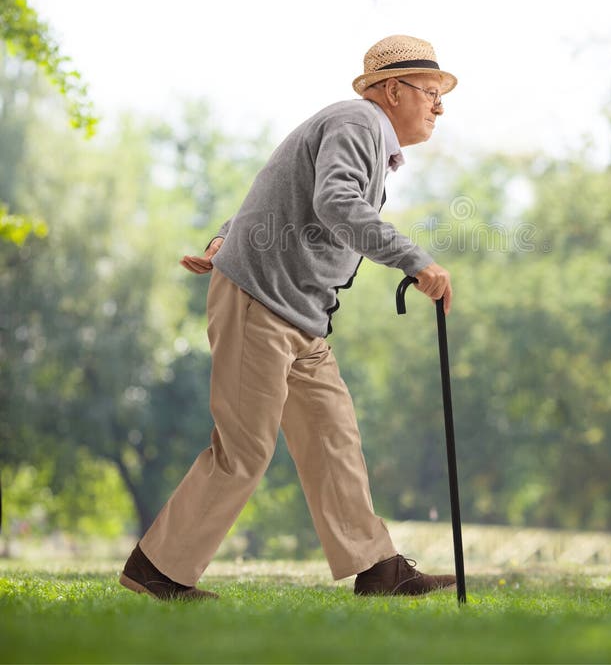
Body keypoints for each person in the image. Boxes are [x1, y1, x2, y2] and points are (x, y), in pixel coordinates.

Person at [119, 34, 458, 600]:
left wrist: (225, 235)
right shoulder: (358, 122)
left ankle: (378, 567)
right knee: (244, 450)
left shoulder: (362, 134)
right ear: (392, 91)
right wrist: (415, 260)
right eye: (430, 91)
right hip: (263, 303)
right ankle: (158, 568)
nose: (439, 106)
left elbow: (281, 189)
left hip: (301, 315)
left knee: (333, 437)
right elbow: (335, 203)